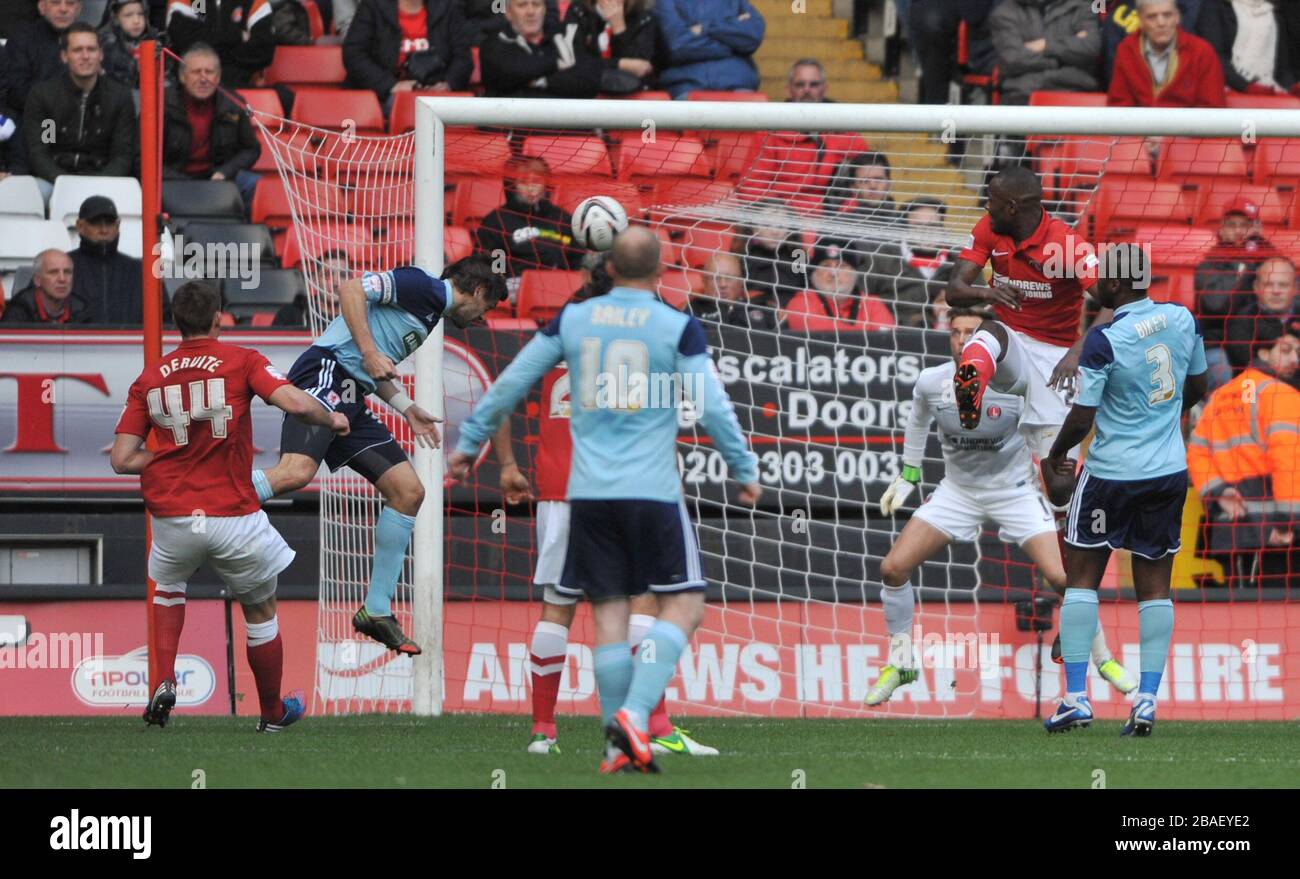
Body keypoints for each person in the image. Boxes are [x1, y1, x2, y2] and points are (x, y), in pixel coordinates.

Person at [447, 227, 760, 775]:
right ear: (661, 273)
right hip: (650, 490)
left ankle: (596, 736)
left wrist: (471, 442)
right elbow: (711, 404)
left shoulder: (571, 322)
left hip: (580, 493)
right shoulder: (676, 324)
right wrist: (743, 466)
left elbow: (511, 382)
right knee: (681, 604)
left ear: (607, 270)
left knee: (603, 614)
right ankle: (640, 719)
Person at [488, 248, 718, 758]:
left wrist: (506, 465)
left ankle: (543, 733)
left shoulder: (560, 335)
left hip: (557, 492)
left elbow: (502, 395)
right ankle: (652, 726)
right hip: (618, 488)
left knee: (558, 608)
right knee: (644, 601)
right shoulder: (640, 337)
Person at [109, 279, 350, 730]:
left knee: (167, 587)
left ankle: (163, 680)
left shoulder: (149, 378)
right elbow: (294, 401)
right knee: (259, 608)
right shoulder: (241, 359)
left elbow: (123, 460)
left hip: (173, 517)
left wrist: (163, 455)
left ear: (175, 323)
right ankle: (272, 714)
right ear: (219, 317)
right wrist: (330, 416)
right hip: (232, 512)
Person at [870, 307, 1136, 704]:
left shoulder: (1017, 382)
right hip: (957, 491)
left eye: (971, 333)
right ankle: (902, 661)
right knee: (892, 568)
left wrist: (1053, 476)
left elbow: (1047, 430)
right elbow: (917, 420)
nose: (963, 341)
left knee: (1066, 580)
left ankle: (1103, 657)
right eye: (956, 332)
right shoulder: (932, 382)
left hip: (1014, 491)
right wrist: (909, 474)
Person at [250, 256, 506, 654]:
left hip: (353, 395)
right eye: (485, 309)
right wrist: (369, 352)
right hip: (326, 373)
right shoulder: (422, 286)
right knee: (296, 473)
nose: (480, 320)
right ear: (477, 291)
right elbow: (350, 289)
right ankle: (209, 501)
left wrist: (407, 408)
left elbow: (375, 368)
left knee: (409, 492)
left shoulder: (430, 313)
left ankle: (376, 610)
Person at [946, 165, 1132, 680]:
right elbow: (953, 289)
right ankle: (971, 394)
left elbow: (1116, 306)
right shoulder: (990, 230)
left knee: (1061, 498)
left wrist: (1079, 350)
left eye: (992, 200)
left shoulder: (1068, 248)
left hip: (1056, 366)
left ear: (1013, 207)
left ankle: (1083, 637)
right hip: (1011, 341)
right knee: (988, 335)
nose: (985, 207)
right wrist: (988, 296)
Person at [1040, 242, 1207, 735]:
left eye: (1099, 281)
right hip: (1168, 473)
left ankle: (1075, 697)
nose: (1092, 286)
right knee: (1154, 588)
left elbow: (1085, 413)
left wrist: (1056, 455)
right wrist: (1162, 418)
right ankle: (1149, 700)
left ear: (1113, 286)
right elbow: (1196, 388)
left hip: (1111, 475)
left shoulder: (1104, 338)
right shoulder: (1182, 318)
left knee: (1083, 579)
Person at [1187, 318, 1300, 591]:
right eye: (1286, 350)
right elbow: (1287, 461)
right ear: (1262, 352)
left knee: (1240, 616)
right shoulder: (1280, 394)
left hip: (1231, 527)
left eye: (1297, 352)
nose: (1295, 359)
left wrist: (1217, 492)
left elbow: (1196, 453)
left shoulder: (1221, 395)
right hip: (1277, 532)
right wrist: (1289, 522)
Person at [23, 23, 137, 198]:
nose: (85, 56)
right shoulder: (45, 96)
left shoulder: (119, 97)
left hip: (104, 181)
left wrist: (97, 186)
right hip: (55, 180)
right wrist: (64, 182)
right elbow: (41, 152)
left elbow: (122, 155)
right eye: (77, 50)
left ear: (101, 54)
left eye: (91, 49)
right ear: (64, 56)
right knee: (30, 195)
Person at [162, 44, 262, 209]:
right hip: (173, 178)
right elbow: (141, 157)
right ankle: (173, 235)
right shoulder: (161, 103)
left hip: (218, 176)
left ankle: (246, 233)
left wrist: (225, 172)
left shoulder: (234, 103)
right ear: (182, 76)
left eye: (209, 72)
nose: (203, 79)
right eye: (196, 72)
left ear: (218, 76)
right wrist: (180, 180)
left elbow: (251, 149)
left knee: (255, 185)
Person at [1195, 199, 1280, 388]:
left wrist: (1260, 251)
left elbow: (1286, 295)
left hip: (1262, 343)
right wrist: (1246, 264)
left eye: (1246, 225)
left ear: (1257, 229)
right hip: (1219, 345)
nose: (1239, 231)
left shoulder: (1270, 261)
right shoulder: (1208, 266)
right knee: (1221, 371)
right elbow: (1217, 305)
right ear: (1222, 230)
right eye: (1232, 225)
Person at [342, 0, 476, 112]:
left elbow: (463, 57)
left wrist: (447, 84)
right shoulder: (372, 6)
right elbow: (353, 54)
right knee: (406, 108)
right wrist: (391, 85)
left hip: (437, 98)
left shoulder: (448, 7)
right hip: (385, 97)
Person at [475, 155, 580, 281]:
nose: (531, 188)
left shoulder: (563, 219)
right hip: (514, 288)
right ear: (512, 186)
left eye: (537, 181)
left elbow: (578, 260)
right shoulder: (496, 222)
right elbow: (490, 269)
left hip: (560, 285)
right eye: (523, 182)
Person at [857, 196, 955, 328]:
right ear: (905, 229)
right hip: (894, 336)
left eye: (934, 226)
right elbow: (860, 300)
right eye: (918, 227)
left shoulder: (960, 261)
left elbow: (980, 303)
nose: (926, 232)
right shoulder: (881, 259)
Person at [1107, 0, 1226, 107]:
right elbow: (1119, 106)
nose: (1161, 23)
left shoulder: (1201, 52)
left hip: (1188, 130)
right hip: (1139, 129)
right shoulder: (1126, 50)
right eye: (1152, 17)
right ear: (1141, 21)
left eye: (1167, 15)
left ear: (1177, 17)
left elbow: (1212, 109)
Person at [479, 0, 604, 99]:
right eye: (522, 5)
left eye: (537, 4)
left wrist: (541, 81)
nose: (531, 11)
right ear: (508, 12)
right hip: (513, 128)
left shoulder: (565, 36)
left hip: (565, 126)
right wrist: (557, 63)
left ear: (544, 9)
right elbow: (507, 74)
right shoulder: (493, 43)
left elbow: (590, 80)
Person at [988, 0, 1102, 105]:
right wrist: (1060, 59)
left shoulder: (1081, 6)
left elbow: (1091, 46)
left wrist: (1045, 45)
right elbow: (1013, 59)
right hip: (1024, 93)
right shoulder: (1005, 13)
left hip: (1077, 91)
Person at [69, 195, 154, 325]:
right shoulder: (61, 268)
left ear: (118, 225)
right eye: (95, 223)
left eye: (109, 222)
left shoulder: (140, 271)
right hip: (74, 344)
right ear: (80, 226)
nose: (104, 230)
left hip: (133, 344)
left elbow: (162, 318)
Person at [654, 0, 765, 99]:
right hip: (688, 85)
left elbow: (753, 36)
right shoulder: (666, 2)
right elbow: (678, 45)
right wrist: (733, 46)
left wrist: (704, 28)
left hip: (738, 84)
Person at [166, 0, 277, 89]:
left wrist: (211, 45)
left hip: (241, 85)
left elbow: (264, 51)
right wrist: (237, 36)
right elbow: (182, 39)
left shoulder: (254, 2)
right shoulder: (195, 2)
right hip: (191, 87)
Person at [1196, 0, 1297, 95]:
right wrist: (1245, 86)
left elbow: (1283, 68)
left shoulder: (1273, 12)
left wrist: (1291, 88)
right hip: (1225, 89)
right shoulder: (1215, 6)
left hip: (1268, 88)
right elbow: (1214, 56)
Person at [782, 253, 895, 333]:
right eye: (826, 266)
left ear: (853, 272)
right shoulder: (801, 302)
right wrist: (868, 333)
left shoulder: (872, 304)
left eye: (841, 266)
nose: (833, 273)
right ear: (814, 273)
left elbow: (886, 341)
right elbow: (818, 335)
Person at [563, 0, 658, 93]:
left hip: (630, 95)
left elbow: (640, 68)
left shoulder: (644, 18)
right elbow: (574, 62)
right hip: (584, 91)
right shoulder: (578, 11)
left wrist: (619, 28)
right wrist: (620, 64)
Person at [1224, 256, 1298, 373]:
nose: (1276, 291)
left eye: (1283, 285)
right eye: (1268, 285)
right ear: (1256, 287)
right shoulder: (1242, 322)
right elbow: (1244, 364)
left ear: (1295, 288)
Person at [1, 249, 92, 324]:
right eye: (53, 272)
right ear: (37, 280)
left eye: (67, 272)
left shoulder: (82, 311)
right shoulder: (19, 311)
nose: (62, 279)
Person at [689, 250, 772, 328]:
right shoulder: (691, 310)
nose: (723, 284)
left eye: (729, 278)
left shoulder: (761, 306)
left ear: (741, 281)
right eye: (716, 278)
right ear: (704, 281)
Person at [99, 0, 159, 90]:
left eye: (140, 14)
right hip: (118, 94)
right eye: (128, 15)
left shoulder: (154, 39)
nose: (136, 21)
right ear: (116, 18)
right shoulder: (108, 42)